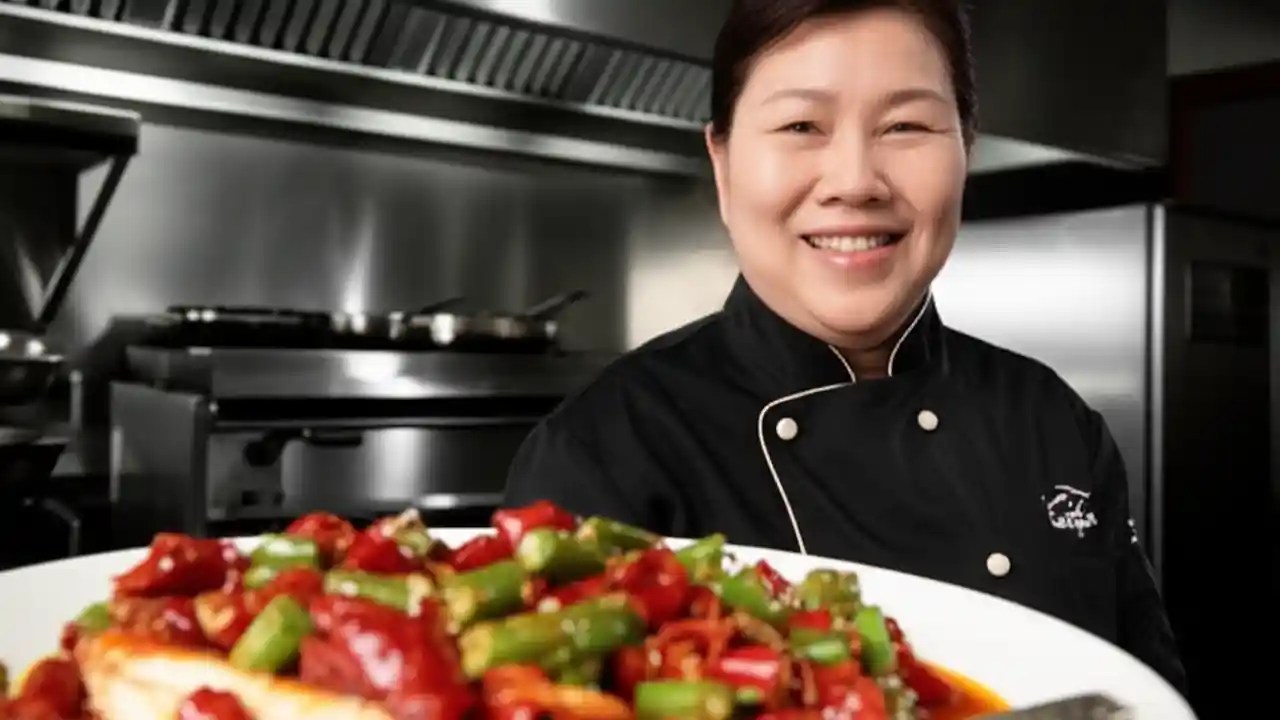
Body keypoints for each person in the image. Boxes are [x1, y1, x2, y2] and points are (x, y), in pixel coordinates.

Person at [502, 0, 1187, 694]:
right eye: (802, 125)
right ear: (724, 162)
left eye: (906, 125)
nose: (856, 181)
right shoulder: (597, 455)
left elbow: (1148, 698)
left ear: (965, 151)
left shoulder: (1052, 420)